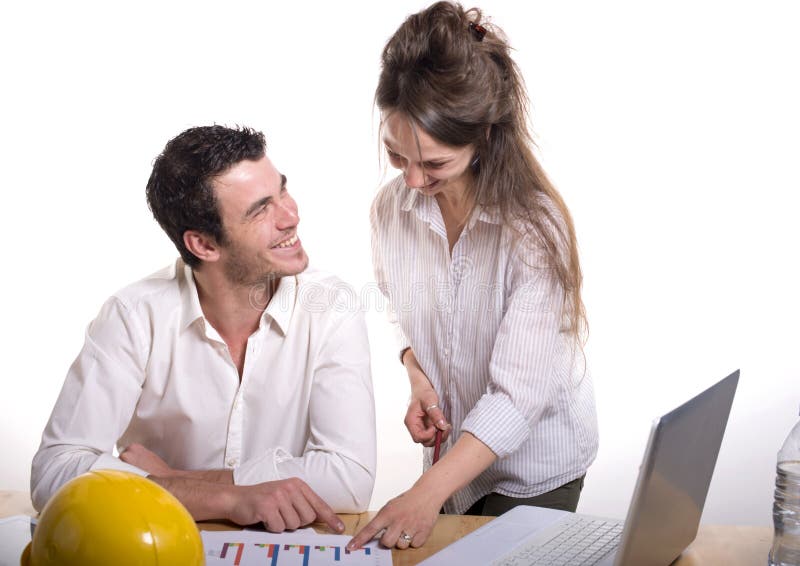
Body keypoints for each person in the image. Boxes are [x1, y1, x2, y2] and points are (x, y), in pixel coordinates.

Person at [31, 125, 376, 533]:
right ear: (204, 245)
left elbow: (350, 479)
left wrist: (176, 481)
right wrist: (228, 499)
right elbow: (53, 472)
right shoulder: (133, 315)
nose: (291, 216)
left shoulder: (331, 307)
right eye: (261, 209)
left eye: (282, 191)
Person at [349, 1, 598, 551]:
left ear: (483, 137)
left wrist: (424, 493)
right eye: (396, 156)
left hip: (534, 469)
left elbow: (516, 400)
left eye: (434, 163)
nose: (412, 182)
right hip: (452, 469)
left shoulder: (535, 230)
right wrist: (418, 374)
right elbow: (398, 307)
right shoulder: (389, 211)